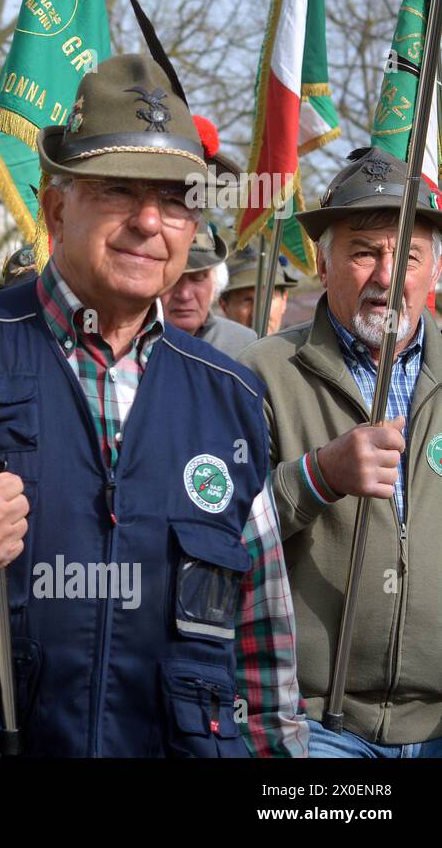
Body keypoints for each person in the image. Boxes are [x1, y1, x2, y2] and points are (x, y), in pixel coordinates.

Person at [0, 54, 306, 758]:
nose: (148, 222)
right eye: (116, 191)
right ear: (54, 207)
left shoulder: (230, 394)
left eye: (175, 199)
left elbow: (262, 636)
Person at [240, 146, 442, 757]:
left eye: (406, 255)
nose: (386, 276)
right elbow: (215, 535)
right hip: (315, 725)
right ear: (323, 268)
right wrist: (316, 476)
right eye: (363, 252)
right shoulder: (258, 373)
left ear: (433, 271)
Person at [160, 220, 257, 358]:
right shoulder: (130, 342)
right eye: (173, 278)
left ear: (216, 284)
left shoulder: (244, 345)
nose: (184, 294)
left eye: (198, 277)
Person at [219, 241, 301, 335]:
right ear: (224, 307)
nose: (258, 314)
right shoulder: (210, 349)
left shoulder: (301, 349)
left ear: (284, 301)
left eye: (267, 298)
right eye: (247, 300)